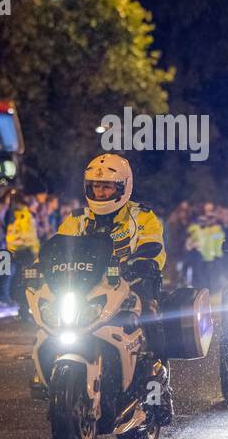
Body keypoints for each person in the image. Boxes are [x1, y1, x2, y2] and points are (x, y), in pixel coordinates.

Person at [56, 154, 171, 423]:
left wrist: (143, 262)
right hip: (88, 287)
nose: (100, 192)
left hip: (134, 282)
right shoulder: (77, 219)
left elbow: (153, 245)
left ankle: (159, 387)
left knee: (150, 314)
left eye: (107, 186)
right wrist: (36, 268)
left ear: (122, 187)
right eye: (96, 186)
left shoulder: (141, 215)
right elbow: (57, 250)